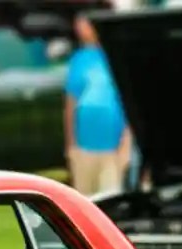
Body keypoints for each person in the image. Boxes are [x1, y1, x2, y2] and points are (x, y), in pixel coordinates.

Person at [63, 16, 130, 196]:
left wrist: (126, 143)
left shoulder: (115, 55)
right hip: (84, 147)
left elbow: (127, 101)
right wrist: (71, 145)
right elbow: (71, 102)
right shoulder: (78, 59)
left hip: (112, 147)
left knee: (111, 198)